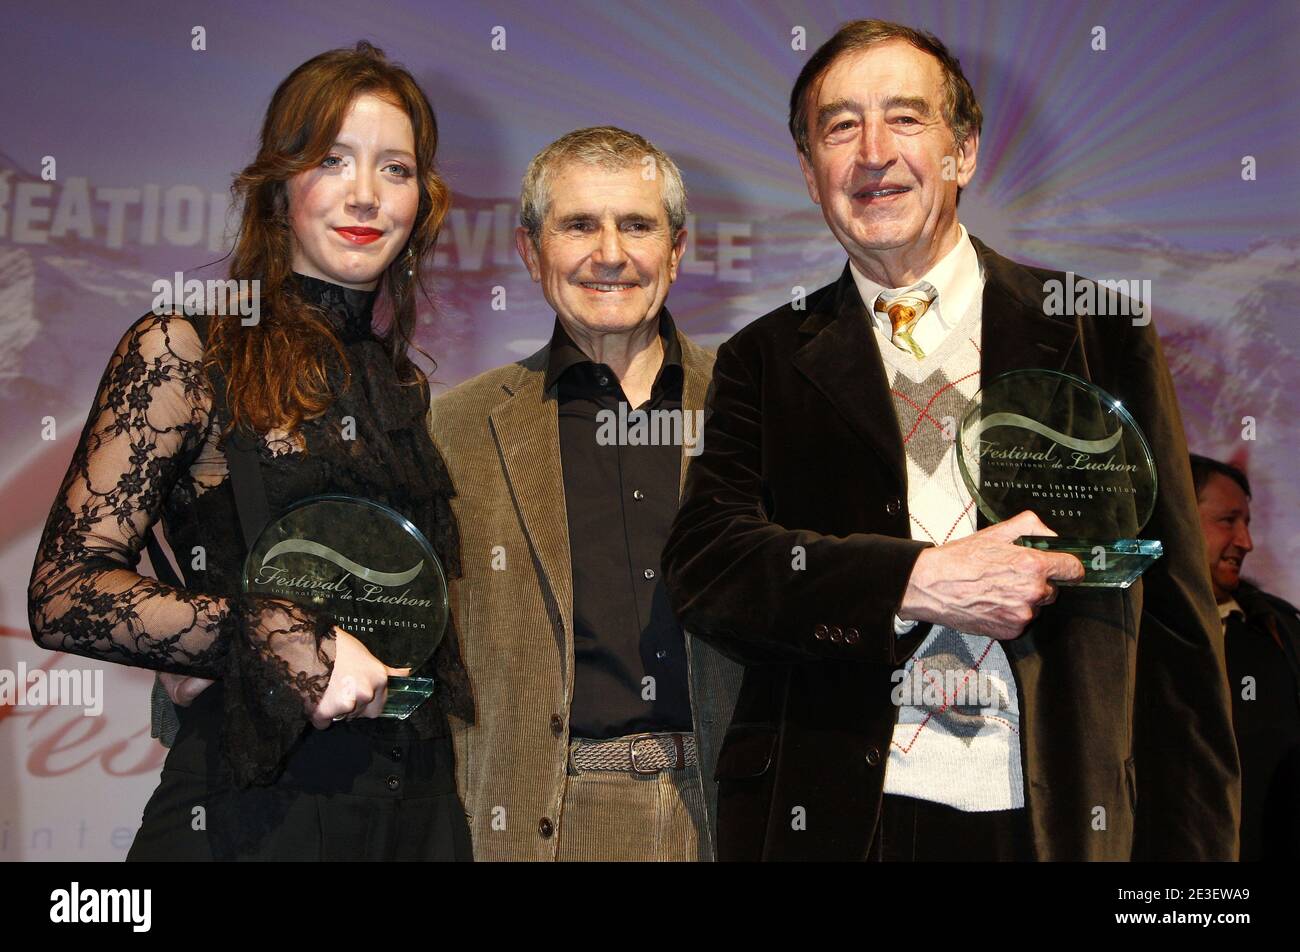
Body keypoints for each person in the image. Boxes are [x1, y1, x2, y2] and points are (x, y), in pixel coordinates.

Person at [662, 19, 1240, 861]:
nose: (872, 152)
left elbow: (1179, 626)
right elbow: (709, 565)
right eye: (839, 126)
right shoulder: (766, 355)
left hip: (1052, 815)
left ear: (963, 152)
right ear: (810, 172)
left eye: (905, 118)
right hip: (839, 816)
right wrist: (914, 580)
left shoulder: (1094, 329)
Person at [27, 41, 473, 861]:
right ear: (279, 188)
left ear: (423, 203)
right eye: (333, 159)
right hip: (253, 817)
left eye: (396, 169)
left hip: (414, 810)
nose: (366, 194)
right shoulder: (185, 350)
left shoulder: (401, 388)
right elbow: (65, 590)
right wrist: (265, 637)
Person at [428, 127, 741, 861]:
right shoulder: (457, 426)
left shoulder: (756, 403)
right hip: (540, 826)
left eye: (636, 224)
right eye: (578, 225)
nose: (610, 253)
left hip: (729, 819)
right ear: (532, 253)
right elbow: (392, 624)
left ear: (678, 248)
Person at [1191, 454, 1300, 861]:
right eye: (1228, 520)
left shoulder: (1279, 631)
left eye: (1247, 524)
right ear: (1180, 516)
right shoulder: (1127, 634)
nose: (1246, 542)